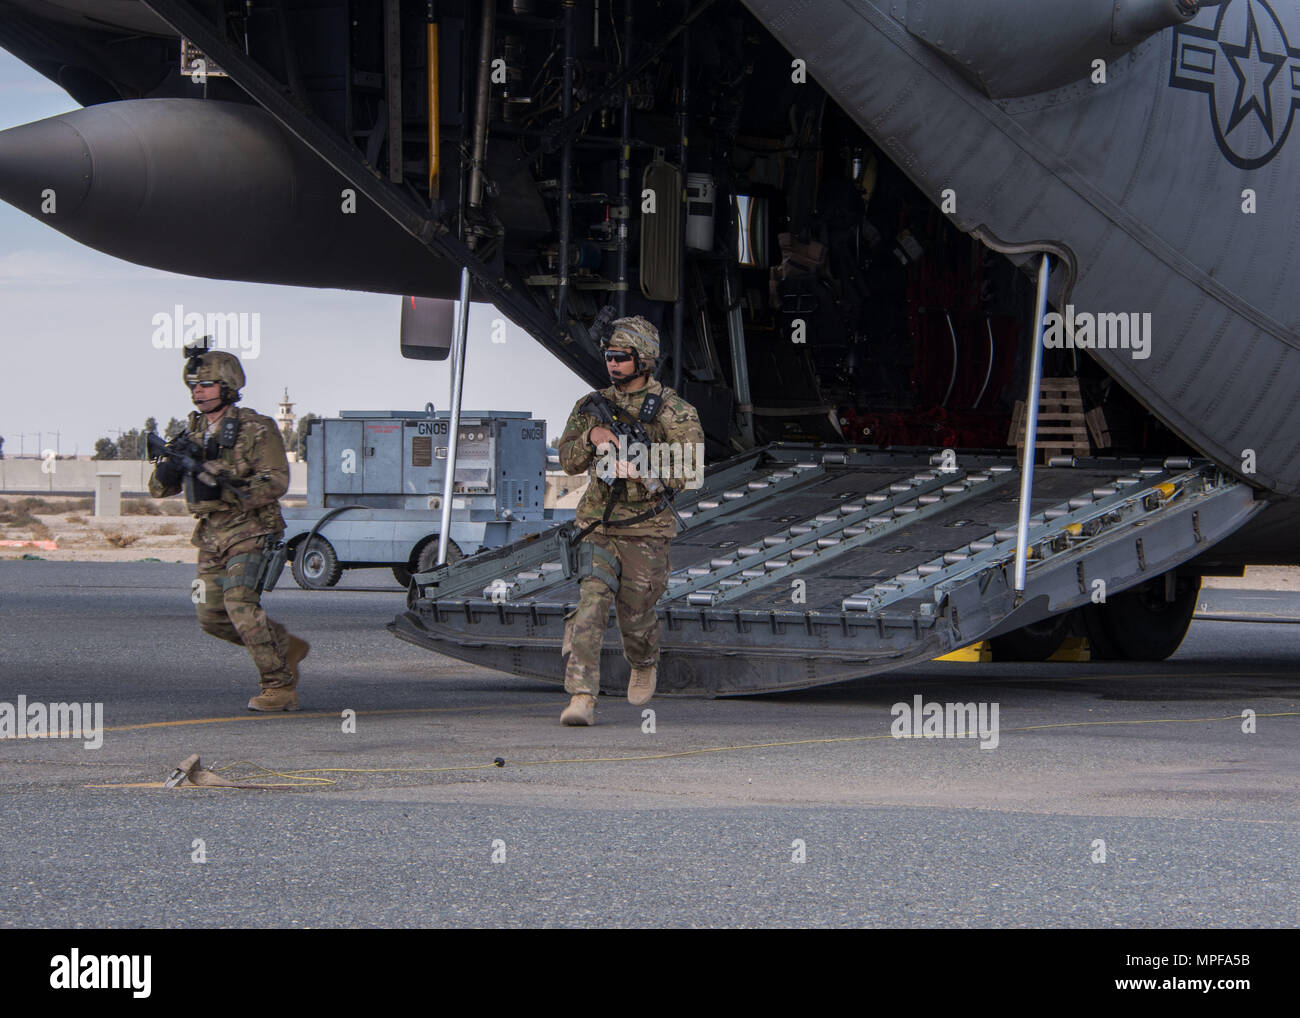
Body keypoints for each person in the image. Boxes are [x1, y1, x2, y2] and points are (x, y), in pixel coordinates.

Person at [555, 316, 705, 725]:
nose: (613, 364)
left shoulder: (674, 411)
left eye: (621, 357)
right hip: (597, 525)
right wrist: (592, 438)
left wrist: (642, 468)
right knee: (591, 604)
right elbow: (567, 461)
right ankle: (582, 697)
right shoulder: (592, 407)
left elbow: (691, 470)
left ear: (644, 359)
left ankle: (643, 661)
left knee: (636, 614)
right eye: (609, 357)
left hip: (646, 528)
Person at [148, 348, 309, 710]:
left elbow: (277, 481)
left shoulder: (256, 428)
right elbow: (158, 489)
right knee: (211, 617)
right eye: (194, 385)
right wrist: (168, 470)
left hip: (250, 530)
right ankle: (284, 648)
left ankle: (279, 687)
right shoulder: (190, 432)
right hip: (211, 535)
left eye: (206, 385)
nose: (197, 392)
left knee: (239, 604)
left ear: (228, 386)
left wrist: (227, 483)